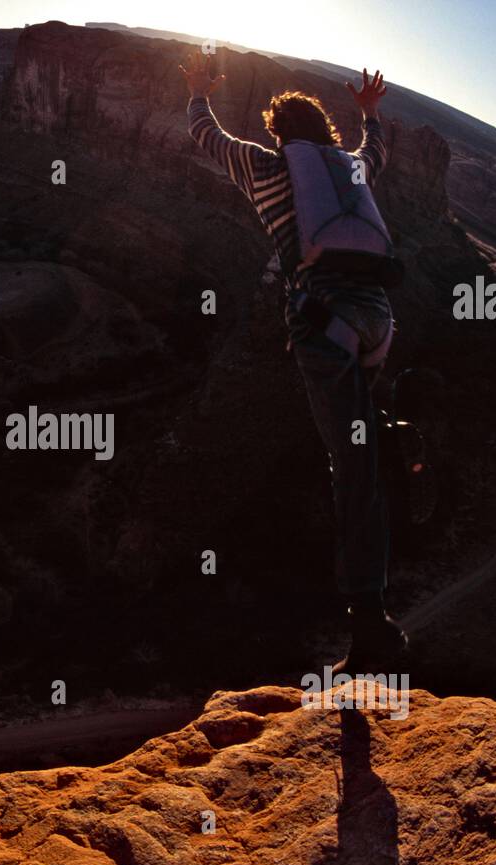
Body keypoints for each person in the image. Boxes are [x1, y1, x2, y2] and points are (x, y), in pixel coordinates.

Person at [179, 51, 408, 675]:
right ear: (325, 135)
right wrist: (369, 115)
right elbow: (378, 149)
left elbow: (207, 136)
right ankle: (382, 439)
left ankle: (371, 634)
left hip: (324, 326)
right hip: (378, 323)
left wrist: (199, 90)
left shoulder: (266, 167)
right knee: (363, 458)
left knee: (351, 473)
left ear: (280, 134)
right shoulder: (354, 169)